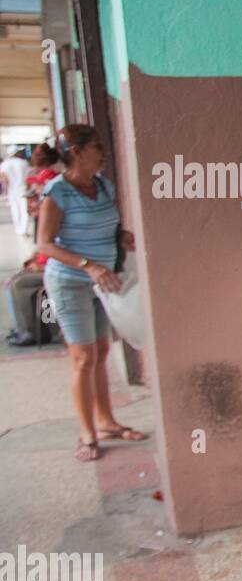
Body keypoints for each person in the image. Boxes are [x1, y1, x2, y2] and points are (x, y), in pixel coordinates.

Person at [35, 125, 147, 460]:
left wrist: (121, 237)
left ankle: (107, 421)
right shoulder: (57, 192)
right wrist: (88, 265)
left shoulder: (103, 185)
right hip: (70, 282)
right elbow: (44, 244)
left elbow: (108, 227)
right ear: (77, 151)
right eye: (97, 146)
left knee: (99, 350)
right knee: (83, 357)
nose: (103, 151)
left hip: (102, 282)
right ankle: (87, 434)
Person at [24, 142, 60, 242]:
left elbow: (29, 194)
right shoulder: (57, 175)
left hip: (40, 212)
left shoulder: (32, 174)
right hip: (55, 212)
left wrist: (31, 207)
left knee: (44, 241)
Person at [2, 146, 30, 238]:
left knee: (15, 209)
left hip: (12, 191)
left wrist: (5, 193)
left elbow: (5, 181)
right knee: (24, 210)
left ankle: (18, 228)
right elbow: (28, 178)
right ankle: (23, 229)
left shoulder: (5, 164)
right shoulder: (23, 163)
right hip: (23, 189)